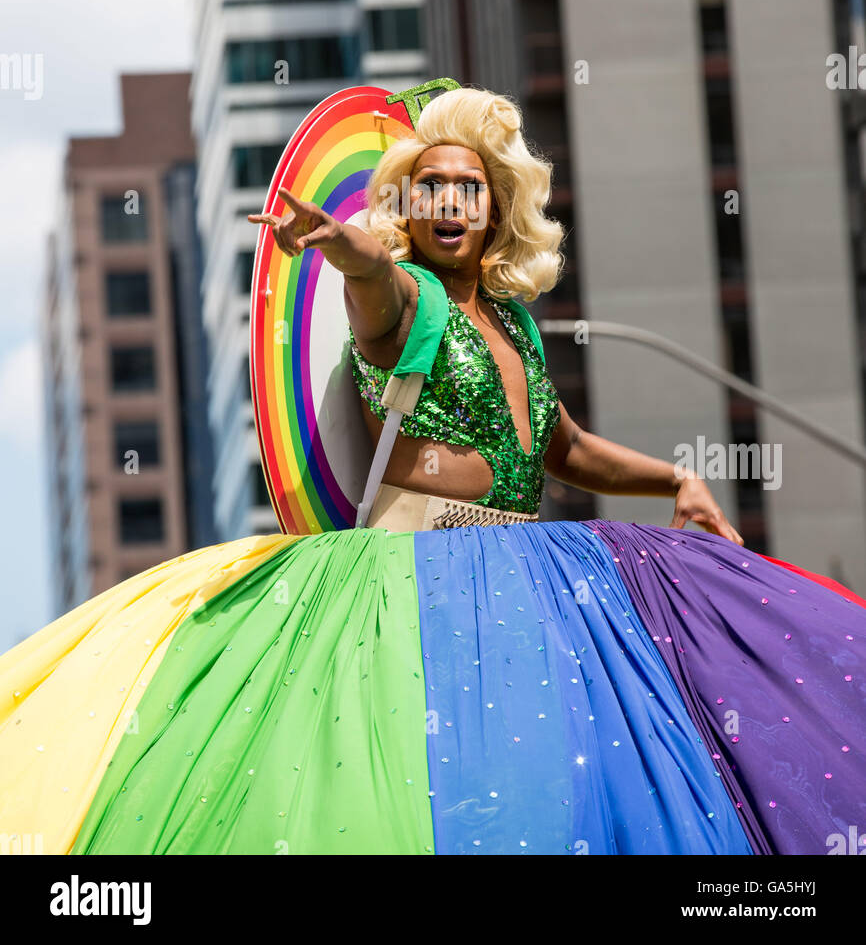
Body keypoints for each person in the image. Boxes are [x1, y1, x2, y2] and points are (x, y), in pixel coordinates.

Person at [0, 87, 863, 857]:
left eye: (469, 187)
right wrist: (343, 244)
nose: (449, 202)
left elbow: (560, 448)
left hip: (533, 577)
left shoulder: (513, 323)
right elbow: (371, 280)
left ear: (496, 208)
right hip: (416, 583)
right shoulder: (404, 299)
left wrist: (675, 481)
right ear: (405, 208)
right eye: (430, 188)